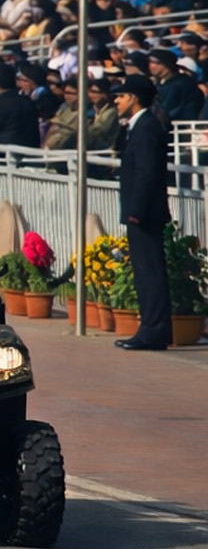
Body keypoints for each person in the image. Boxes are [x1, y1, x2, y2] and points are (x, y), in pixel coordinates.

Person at [113, 75, 174, 350]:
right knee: (144, 271)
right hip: (140, 210)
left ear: (134, 98)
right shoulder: (136, 126)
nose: (116, 101)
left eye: (121, 96)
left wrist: (136, 210)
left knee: (150, 272)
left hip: (145, 212)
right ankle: (150, 328)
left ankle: (154, 331)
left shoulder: (147, 126)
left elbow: (148, 172)